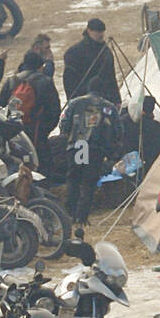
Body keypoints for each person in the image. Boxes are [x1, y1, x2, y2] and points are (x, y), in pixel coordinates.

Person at [59, 91, 121, 226]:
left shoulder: (74, 103)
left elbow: (64, 125)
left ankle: (70, 213)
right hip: (95, 149)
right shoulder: (109, 107)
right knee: (89, 182)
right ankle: (82, 216)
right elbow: (118, 131)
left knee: (73, 179)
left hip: (76, 146)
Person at [0, 48, 61, 161]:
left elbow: (0, 108)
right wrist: (43, 131)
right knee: (43, 168)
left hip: (14, 136)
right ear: (40, 66)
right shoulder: (45, 82)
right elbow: (54, 111)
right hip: (37, 135)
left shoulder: (11, 81)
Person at [63, 17, 120, 105]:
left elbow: (111, 78)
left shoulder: (105, 52)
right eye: (97, 32)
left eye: (102, 32)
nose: (101, 35)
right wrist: (73, 102)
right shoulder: (74, 52)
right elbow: (69, 81)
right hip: (82, 99)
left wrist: (117, 100)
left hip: (105, 99)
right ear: (89, 31)